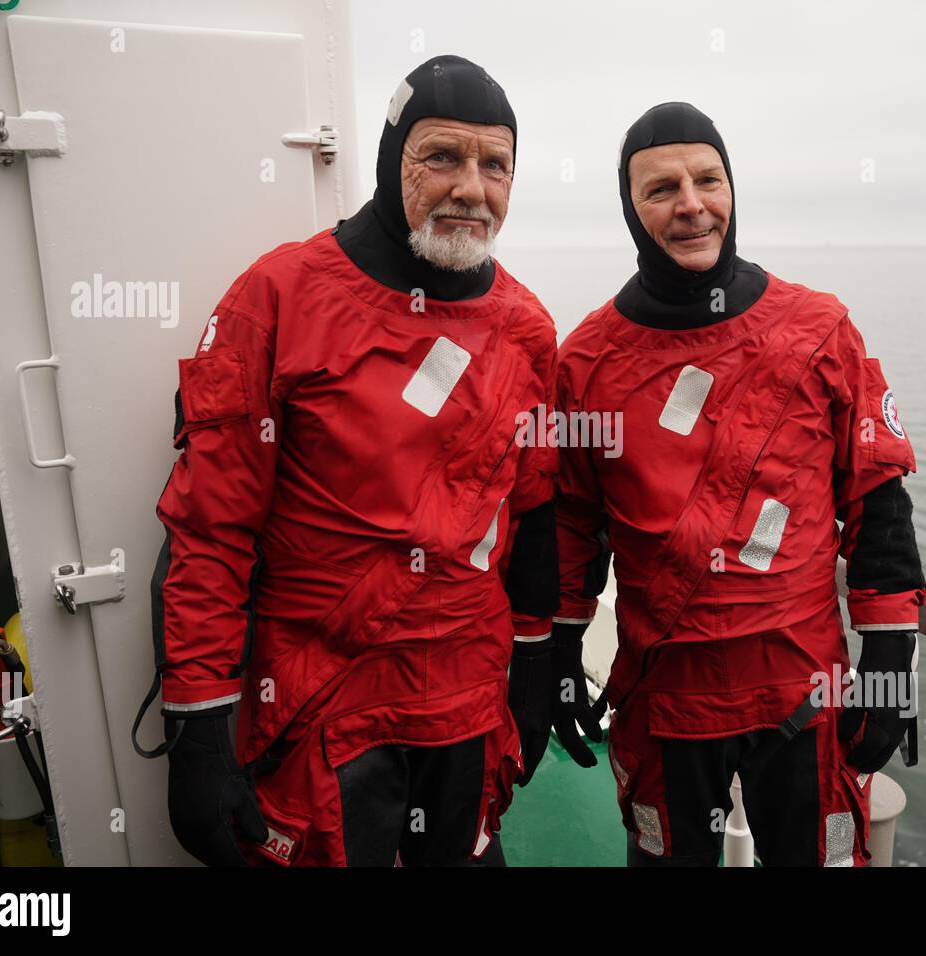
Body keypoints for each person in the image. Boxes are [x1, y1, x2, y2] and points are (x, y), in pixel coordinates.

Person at [132, 55, 589, 867]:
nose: (471, 188)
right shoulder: (277, 299)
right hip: (322, 715)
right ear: (390, 159)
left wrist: (537, 661)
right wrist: (197, 726)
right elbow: (211, 533)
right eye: (441, 156)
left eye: (495, 165)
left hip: (467, 707)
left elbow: (532, 512)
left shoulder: (526, 328)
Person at [553, 102, 926, 866]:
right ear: (631, 209)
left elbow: (878, 500)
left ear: (732, 189)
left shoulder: (822, 330)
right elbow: (570, 525)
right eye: (661, 189)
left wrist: (890, 666)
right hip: (662, 698)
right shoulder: (585, 361)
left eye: (707, 180)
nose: (690, 204)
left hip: (803, 694)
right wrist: (555, 656)